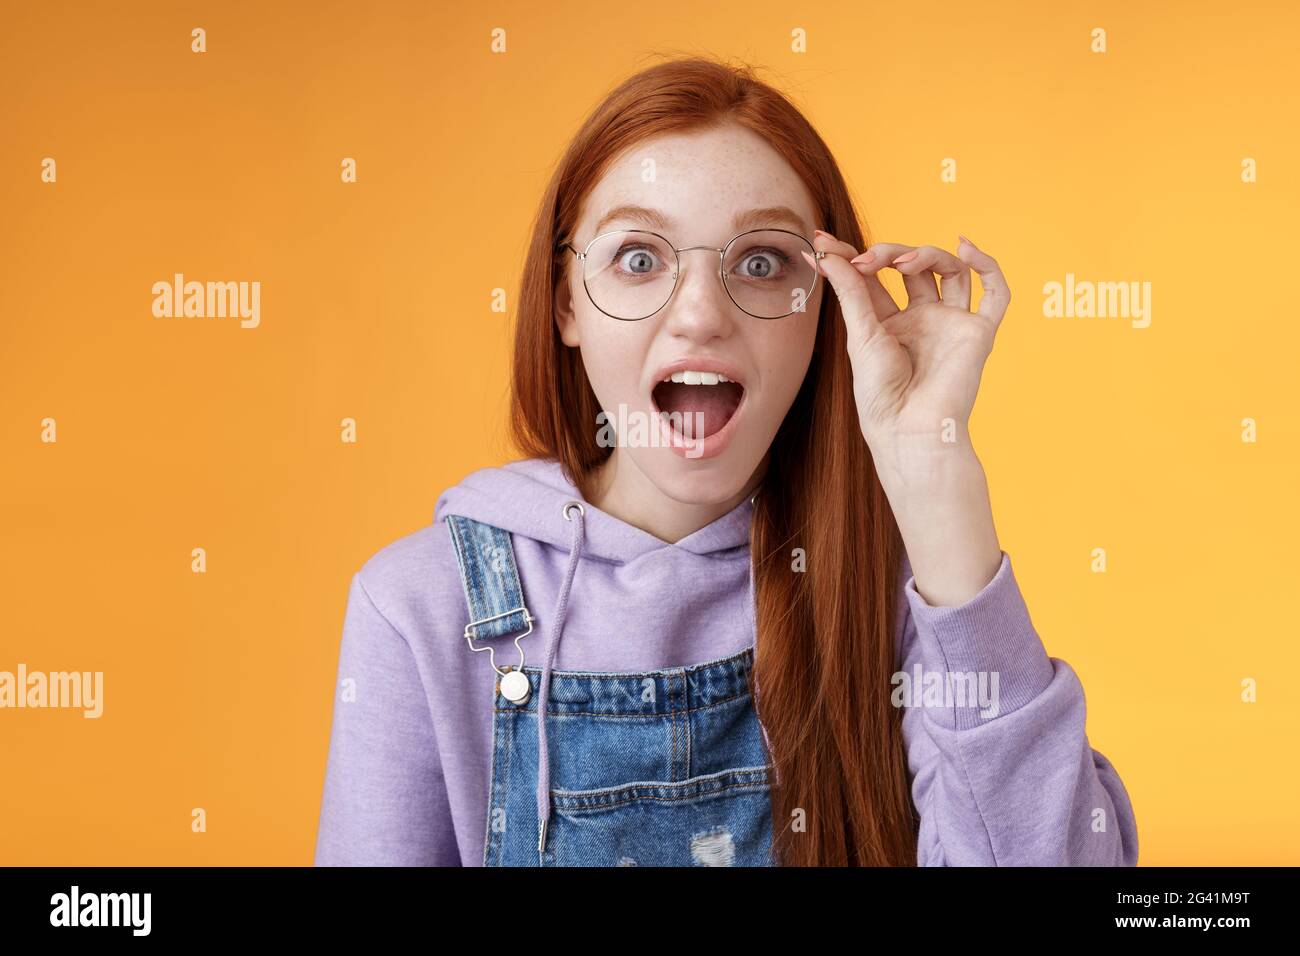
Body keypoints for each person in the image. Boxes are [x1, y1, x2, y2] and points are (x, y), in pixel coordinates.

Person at [313, 55, 1139, 867]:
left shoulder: (901, 595)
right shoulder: (418, 609)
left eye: (761, 261)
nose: (700, 316)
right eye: (640, 258)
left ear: (827, 311)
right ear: (568, 303)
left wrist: (936, 475)